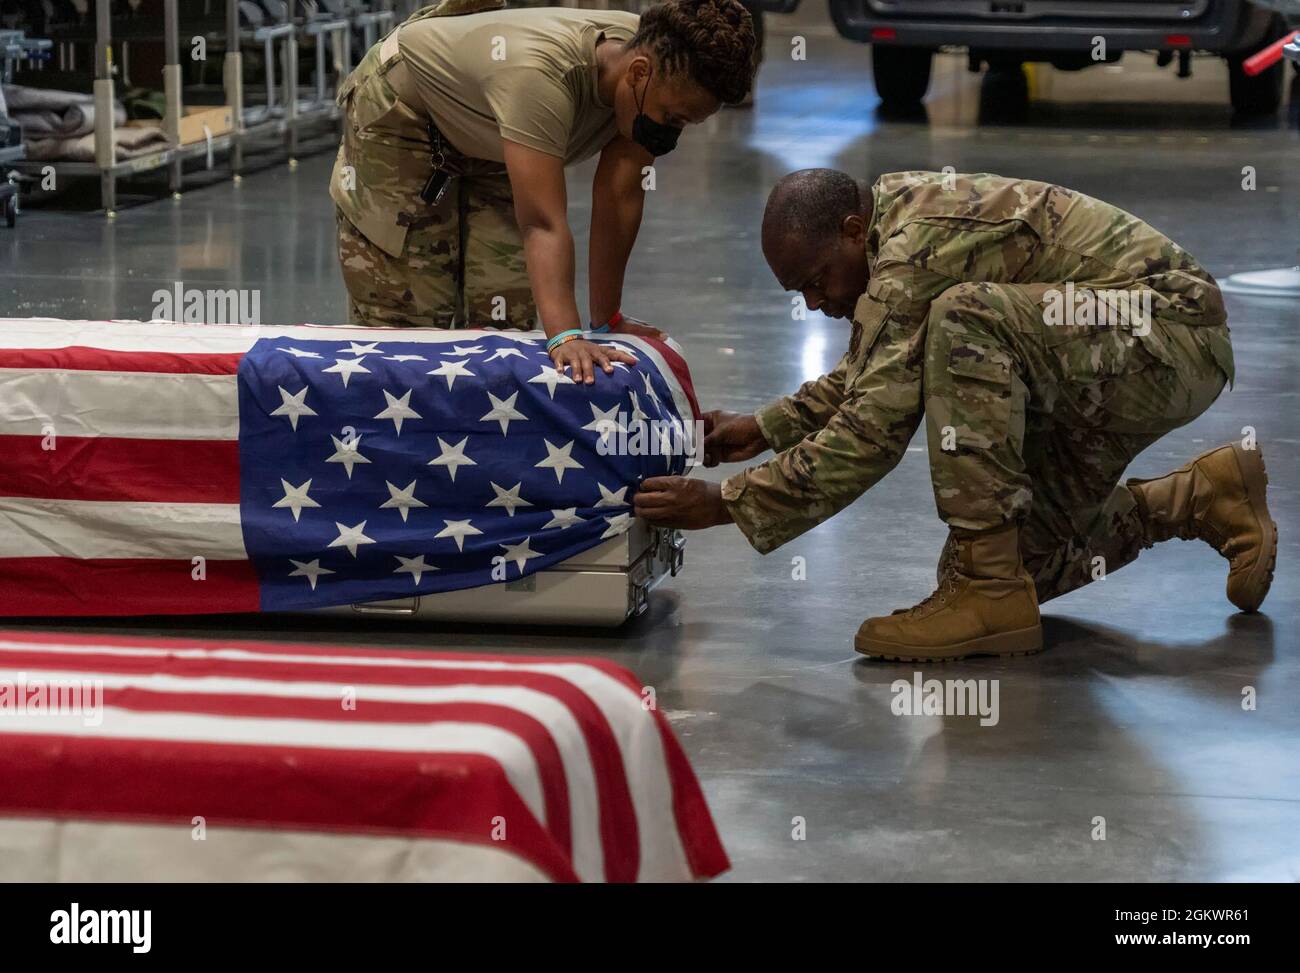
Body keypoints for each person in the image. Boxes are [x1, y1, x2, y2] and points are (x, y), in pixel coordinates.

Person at [634, 168, 1277, 661]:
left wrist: (727, 504)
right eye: (798, 290)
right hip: (1112, 353)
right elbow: (876, 373)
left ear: (854, 231)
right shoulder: (892, 240)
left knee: (966, 320)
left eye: (818, 278)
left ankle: (989, 593)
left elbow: (871, 433)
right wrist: (765, 427)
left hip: (1171, 336)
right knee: (1015, 564)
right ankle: (1199, 498)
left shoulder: (914, 248)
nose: (816, 300)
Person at [331, 0, 756, 383]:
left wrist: (606, 321)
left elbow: (619, 197)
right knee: (409, 326)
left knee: (503, 314)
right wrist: (568, 336)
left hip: (493, 126)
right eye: (673, 118)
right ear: (639, 73)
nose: (671, 133)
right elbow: (542, 223)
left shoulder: (649, 66)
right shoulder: (542, 78)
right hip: (404, 114)